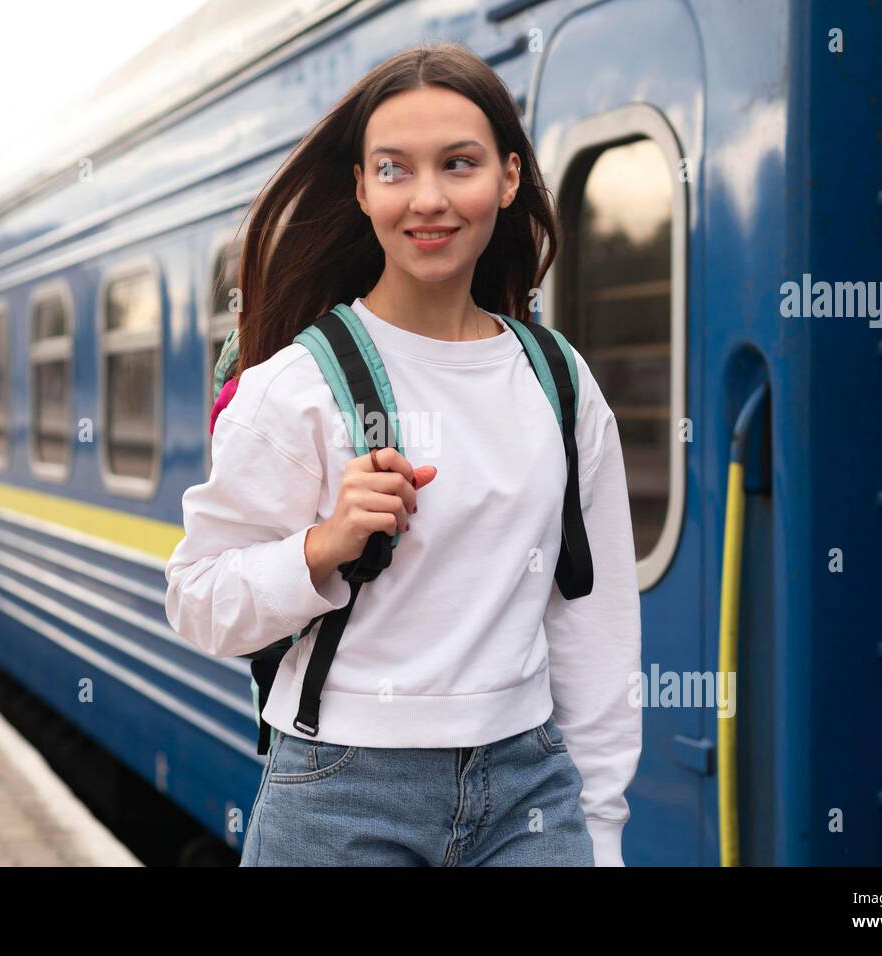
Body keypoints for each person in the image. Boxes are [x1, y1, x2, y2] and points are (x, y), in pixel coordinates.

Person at [164, 41, 641, 866]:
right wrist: (322, 547)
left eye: (459, 164)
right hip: (340, 795)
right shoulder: (299, 385)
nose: (428, 199)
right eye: (395, 170)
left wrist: (599, 829)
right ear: (361, 188)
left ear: (509, 178)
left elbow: (593, 626)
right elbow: (196, 598)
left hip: (529, 790)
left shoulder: (559, 380)